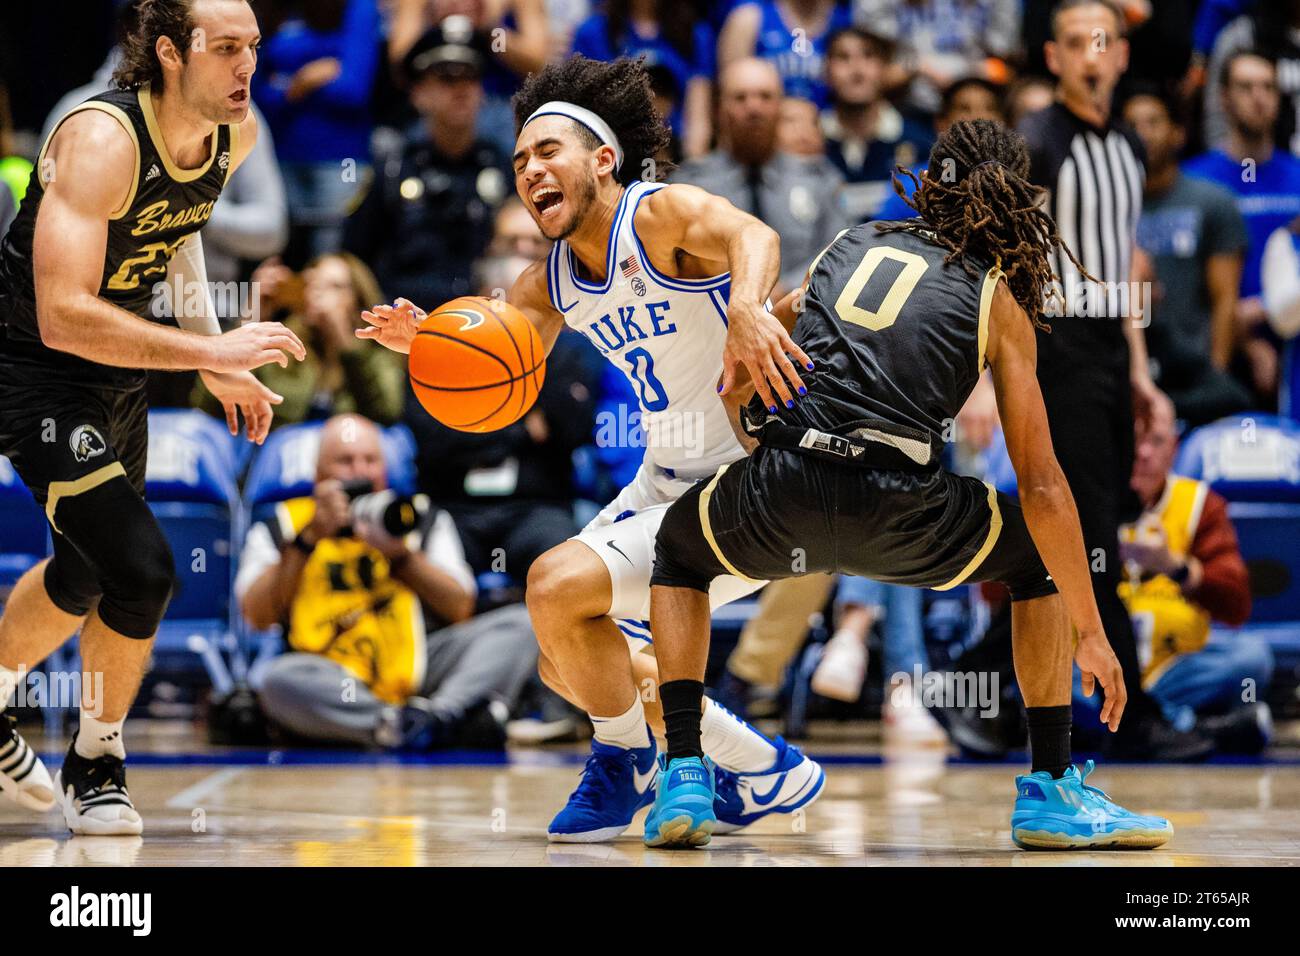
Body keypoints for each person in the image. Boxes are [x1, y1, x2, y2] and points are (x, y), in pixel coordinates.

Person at [644, 118, 1173, 851]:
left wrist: (756, 448)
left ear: (928, 186)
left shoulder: (847, 243)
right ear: (1016, 201)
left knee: (678, 550)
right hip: (901, 511)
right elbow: (1044, 484)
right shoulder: (997, 298)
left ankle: (685, 769)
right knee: (1033, 560)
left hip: (785, 490)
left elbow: (738, 366)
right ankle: (1051, 787)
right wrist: (1092, 630)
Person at [355, 54, 825, 843]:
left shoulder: (657, 216)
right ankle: (764, 767)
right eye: (519, 161)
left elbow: (755, 233)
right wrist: (428, 341)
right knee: (564, 655)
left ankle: (628, 762)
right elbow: (498, 353)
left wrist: (746, 309)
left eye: (548, 152)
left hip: (753, 482)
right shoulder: (554, 281)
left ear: (603, 160)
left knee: (552, 584)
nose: (530, 170)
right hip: (666, 480)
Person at [0, 0, 306, 835]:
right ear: (171, 52)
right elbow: (62, 313)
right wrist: (210, 355)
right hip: (35, 371)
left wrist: (219, 355)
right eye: (227, 49)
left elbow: (178, 231)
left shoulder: (231, 134)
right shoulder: (96, 139)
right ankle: (98, 758)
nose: (249, 66)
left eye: (253, 47)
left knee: (87, 571)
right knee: (144, 569)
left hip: (121, 376)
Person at [1018, 0, 1209, 761]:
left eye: (1104, 42)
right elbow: (1015, 263)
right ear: (1054, 57)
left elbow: (1124, 257)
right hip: (1056, 344)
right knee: (1088, 528)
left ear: (1123, 55)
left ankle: (1004, 688)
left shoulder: (1130, 143)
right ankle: (1125, 714)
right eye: (1075, 44)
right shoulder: (1036, 141)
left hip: (1107, 345)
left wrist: (1139, 371)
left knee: (1104, 519)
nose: (1092, 56)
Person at [238, 415, 538, 748]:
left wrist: (400, 556)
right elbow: (257, 615)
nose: (361, 471)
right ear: (319, 474)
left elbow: (460, 607)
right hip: (329, 673)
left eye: (370, 460)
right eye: (345, 462)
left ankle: (434, 717)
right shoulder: (281, 524)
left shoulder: (418, 516)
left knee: (522, 624)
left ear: (384, 469)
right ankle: (403, 722)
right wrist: (308, 540)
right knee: (277, 680)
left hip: (421, 665)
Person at [1097, 397, 1269, 754]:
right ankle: (1195, 727)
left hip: (1175, 666)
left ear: (1174, 449)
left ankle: (1132, 724)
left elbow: (1236, 604)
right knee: (1033, 663)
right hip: (1095, 669)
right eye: (1135, 438)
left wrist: (1173, 566)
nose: (1143, 452)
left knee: (1252, 658)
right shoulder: (1084, 497)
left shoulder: (1199, 504)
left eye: (1156, 440)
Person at [344, 18, 512, 313]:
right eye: (447, 78)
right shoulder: (394, 167)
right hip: (401, 320)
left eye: (470, 77)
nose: (461, 89)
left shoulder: (502, 165)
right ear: (418, 94)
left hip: (483, 320)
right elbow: (356, 253)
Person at [1123, 89, 1251, 427]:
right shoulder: (1106, 207)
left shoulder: (1212, 202)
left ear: (1178, 132)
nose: (1143, 132)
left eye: (1153, 122)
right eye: (1133, 124)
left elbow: (1226, 302)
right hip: (1125, 366)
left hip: (1192, 367)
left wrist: (1215, 379)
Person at [673, 57, 849, 296]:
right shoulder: (688, 186)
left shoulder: (818, 178)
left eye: (765, 96)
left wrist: (788, 290)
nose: (754, 108)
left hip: (806, 316)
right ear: (719, 109)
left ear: (780, 105)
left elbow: (840, 250)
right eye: (740, 97)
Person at [1184, 50, 1300, 408]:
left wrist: (1269, 307)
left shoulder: (1297, 176)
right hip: (1214, 352)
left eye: (1268, 87)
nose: (1259, 97)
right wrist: (1241, 335)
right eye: (1246, 87)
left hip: (1294, 349)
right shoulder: (1195, 179)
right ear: (1224, 98)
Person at [193, 252, 406, 426]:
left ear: (357, 297)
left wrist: (343, 341)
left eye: (334, 287)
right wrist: (252, 318)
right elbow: (209, 405)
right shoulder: (282, 345)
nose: (319, 294)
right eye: (313, 284)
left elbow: (387, 412)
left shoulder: (376, 350)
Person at [254, 0, 382, 258]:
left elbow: (353, 89)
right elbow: (256, 93)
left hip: (340, 161)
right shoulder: (275, 6)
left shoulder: (359, 7)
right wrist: (308, 79)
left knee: (330, 262)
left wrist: (290, 86)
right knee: (278, 263)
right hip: (281, 156)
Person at [569, 0, 715, 157]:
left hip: (677, 151)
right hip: (614, 149)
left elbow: (699, 118)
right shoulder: (592, 33)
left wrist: (690, 164)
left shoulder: (696, 33)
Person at [820, 26, 935, 224]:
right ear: (826, 71)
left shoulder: (921, 142)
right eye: (843, 57)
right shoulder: (809, 141)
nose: (857, 70)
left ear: (885, 69)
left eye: (868, 56)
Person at [718, 0, 853, 108]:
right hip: (764, 132)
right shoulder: (749, 18)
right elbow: (731, 95)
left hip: (826, 131)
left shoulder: (847, 20)